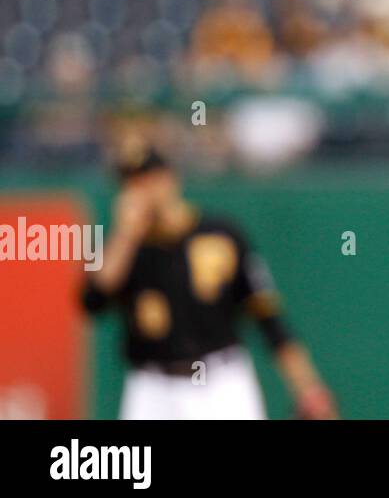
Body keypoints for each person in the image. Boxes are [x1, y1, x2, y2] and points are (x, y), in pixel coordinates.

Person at [82, 141, 337, 420]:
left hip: (221, 382)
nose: (143, 191)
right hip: (152, 386)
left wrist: (308, 387)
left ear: (170, 179)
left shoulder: (221, 234)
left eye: (150, 179)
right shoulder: (122, 249)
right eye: (133, 183)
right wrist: (126, 234)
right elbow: (93, 300)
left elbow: (268, 317)